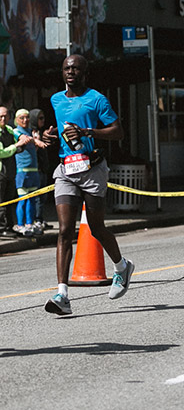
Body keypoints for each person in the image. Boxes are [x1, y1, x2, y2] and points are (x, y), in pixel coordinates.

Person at [43, 55, 132, 316]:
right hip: (65, 170)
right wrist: (48, 136)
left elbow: (118, 131)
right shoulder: (56, 99)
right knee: (64, 230)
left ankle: (121, 267)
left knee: (96, 227)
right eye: (66, 68)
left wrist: (89, 132)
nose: (70, 72)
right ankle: (62, 294)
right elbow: (57, 130)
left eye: (76, 69)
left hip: (92, 169)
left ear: (85, 73)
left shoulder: (96, 99)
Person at [0, 106, 33, 235]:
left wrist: (23, 142)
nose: (3, 119)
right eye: (0, 116)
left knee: (9, 201)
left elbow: (19, 142)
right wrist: (16, 146)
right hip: (1, 173)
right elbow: (2, 152)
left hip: (11, 171)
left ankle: (9, 226)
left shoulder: (9, 130)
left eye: (5, 116)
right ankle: (2, 228)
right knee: (1, 202)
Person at [13, 109, 44, 234]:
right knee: (23, 199)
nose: (25, 120)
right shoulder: (16, 131)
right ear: (16, 120)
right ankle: (20, 225)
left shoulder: (30, 131)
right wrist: (36, 140)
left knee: (32, 199)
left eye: (27, 118)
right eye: (22, 118)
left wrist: (37, 142)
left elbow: (32, 147)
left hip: (34, 170)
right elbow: (25, 139)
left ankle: (29, 223)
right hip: (22, 171)